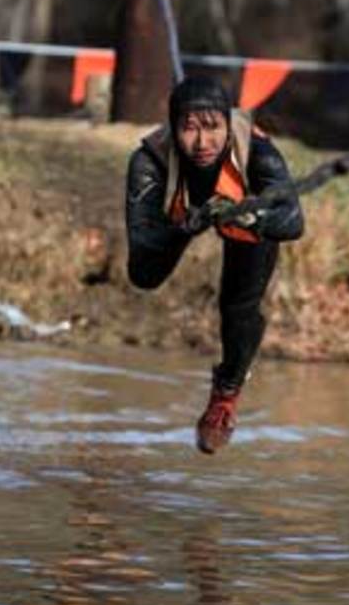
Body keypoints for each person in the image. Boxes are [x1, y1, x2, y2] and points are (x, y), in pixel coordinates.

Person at [125, 75, 304, 454]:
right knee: (144, 276)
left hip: (245, 218)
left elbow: (294, 223)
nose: (203, 143)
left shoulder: (257, 149)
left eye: (213, 128)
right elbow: (142, 244)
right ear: (174, 130)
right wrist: (184, 228)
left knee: (238, 309)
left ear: (228, 125)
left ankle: (225, 395)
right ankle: (187, 225)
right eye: (189, 129)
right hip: (181, 220)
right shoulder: (148, 160)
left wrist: (254, 217)